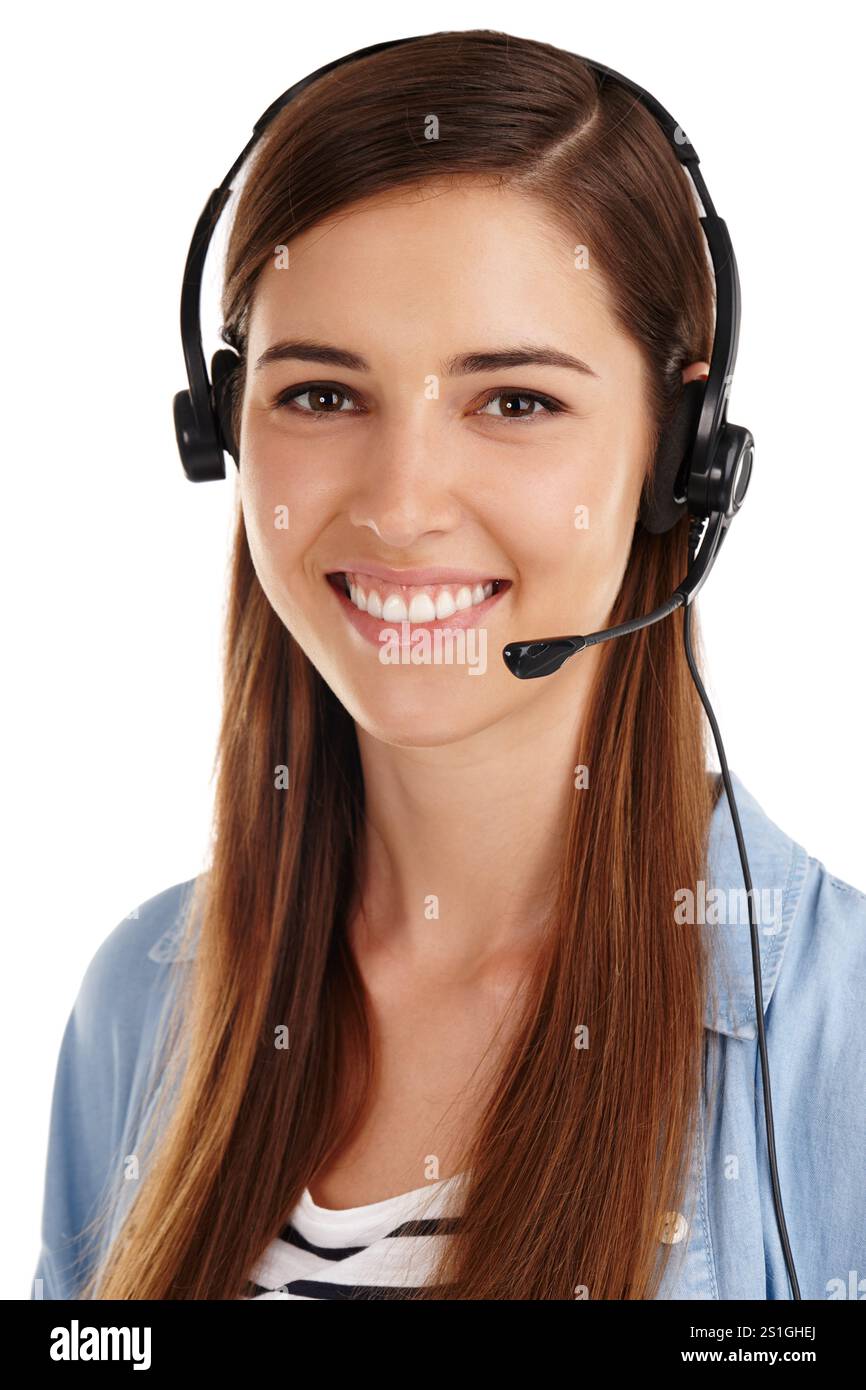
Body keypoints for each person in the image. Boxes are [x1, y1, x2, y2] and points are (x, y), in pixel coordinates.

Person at [32, 29, 866, 1301]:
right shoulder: (144, 1000)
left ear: (680, 457)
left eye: (514, 401)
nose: (403, 503)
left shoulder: (838, 1038)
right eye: (321, 394)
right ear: (223, 430)